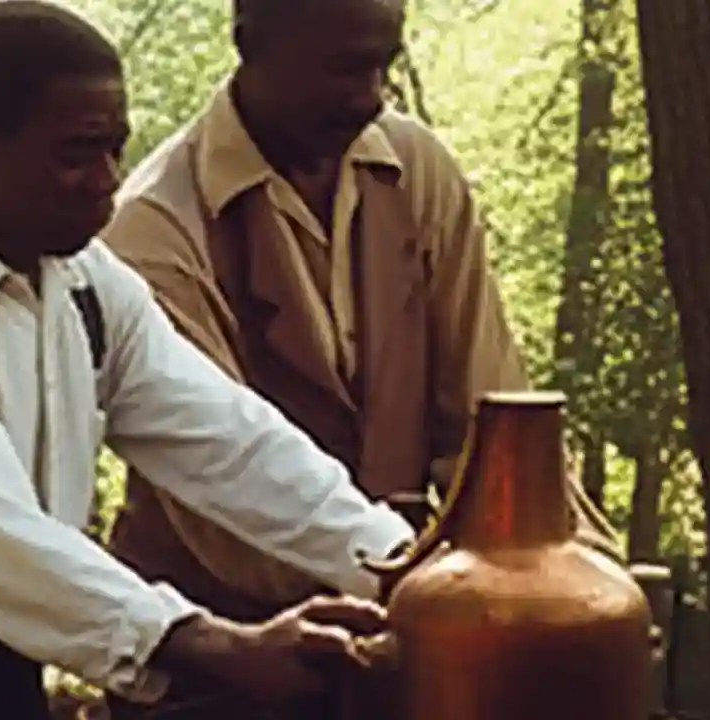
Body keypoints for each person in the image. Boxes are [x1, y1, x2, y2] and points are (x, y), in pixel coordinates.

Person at [0, 3, 417, 719]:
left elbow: (230, 440)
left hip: (2, 674)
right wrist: (216, 645)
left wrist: (400, 567)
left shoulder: (89, 291)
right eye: (75, 153)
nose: (106, 178)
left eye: (116, 149)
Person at [102, 0, 623, 716]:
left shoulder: (419, 173)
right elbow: (220, 498)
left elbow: (488, 427)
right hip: (221, 670)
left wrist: (580, 577)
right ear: (250, 42)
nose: (370, 93)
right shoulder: (155, 227)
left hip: (409, 650)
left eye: (384, 62)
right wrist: (443, 596)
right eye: (344, 68)